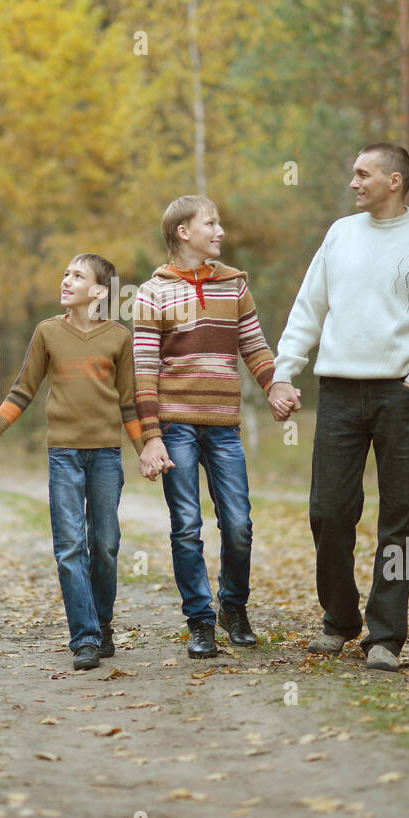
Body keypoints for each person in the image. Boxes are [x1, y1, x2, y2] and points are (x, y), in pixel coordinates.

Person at [269, 143, 409, 671]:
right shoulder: (340, 233)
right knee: (328, 512)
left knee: (398, 519)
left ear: (395, 180)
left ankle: (385, 635)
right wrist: (283, 369)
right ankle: (339, 619)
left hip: (401, 394)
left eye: (363, 174)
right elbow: (309, 306)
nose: (354, 182)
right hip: (337, 390)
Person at [133, 195, 276, 658]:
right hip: (175, 426)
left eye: (220, 223)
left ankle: (233, 606)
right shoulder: (152, 292)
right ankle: (200, 620)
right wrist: (151, 435)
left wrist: (275, 387)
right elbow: (144, 368)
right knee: (186, 525)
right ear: (183, 232)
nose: (220, 232)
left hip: (222, 426)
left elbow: (254, 346)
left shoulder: (234, 285)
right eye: (210, 224)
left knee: (238, 524)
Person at [0, 254, 144, 671]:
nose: (66, 280)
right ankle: (85, 637)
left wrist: (146, 448)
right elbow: (23, 388)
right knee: (70, 547)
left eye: (77, 275)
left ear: (99, 291)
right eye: (65, 273)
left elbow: (129, 404)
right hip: (63, 454)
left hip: (106, 456)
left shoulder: (118, 338)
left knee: (106, 544)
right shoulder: (47, 332)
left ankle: (103, 621)